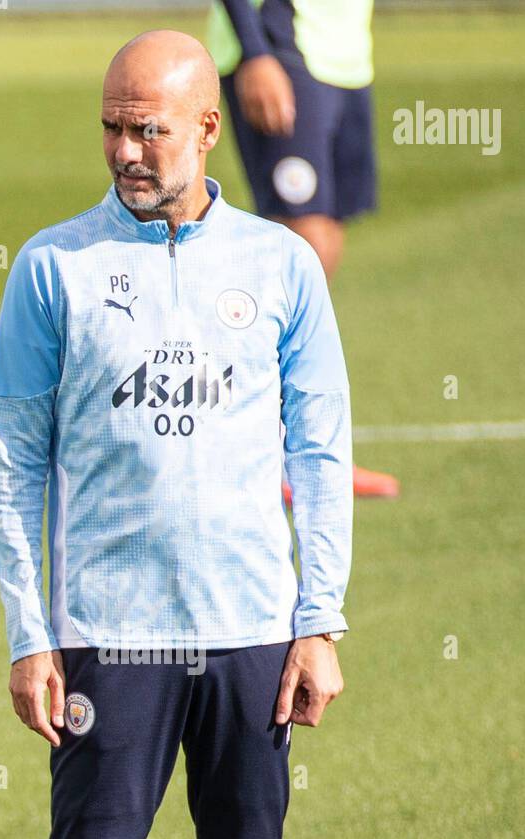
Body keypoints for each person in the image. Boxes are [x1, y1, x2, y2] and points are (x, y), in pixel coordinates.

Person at [0, 30, 351, 839]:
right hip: (112, 633)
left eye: (147, 128)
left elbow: (318, 449)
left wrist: (318, 618)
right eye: (110, 125)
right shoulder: (54, 267)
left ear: (205, 129)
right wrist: (30, 630)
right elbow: (14, 460)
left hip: (250, 629)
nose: (125, 149)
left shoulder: (279, 265)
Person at [209, 0, 399, 498]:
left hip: (346, 58)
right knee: (302, 246)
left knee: (326, 240)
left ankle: (308, 449)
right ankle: (265, 449)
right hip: (280, 45)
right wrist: (256, 52)